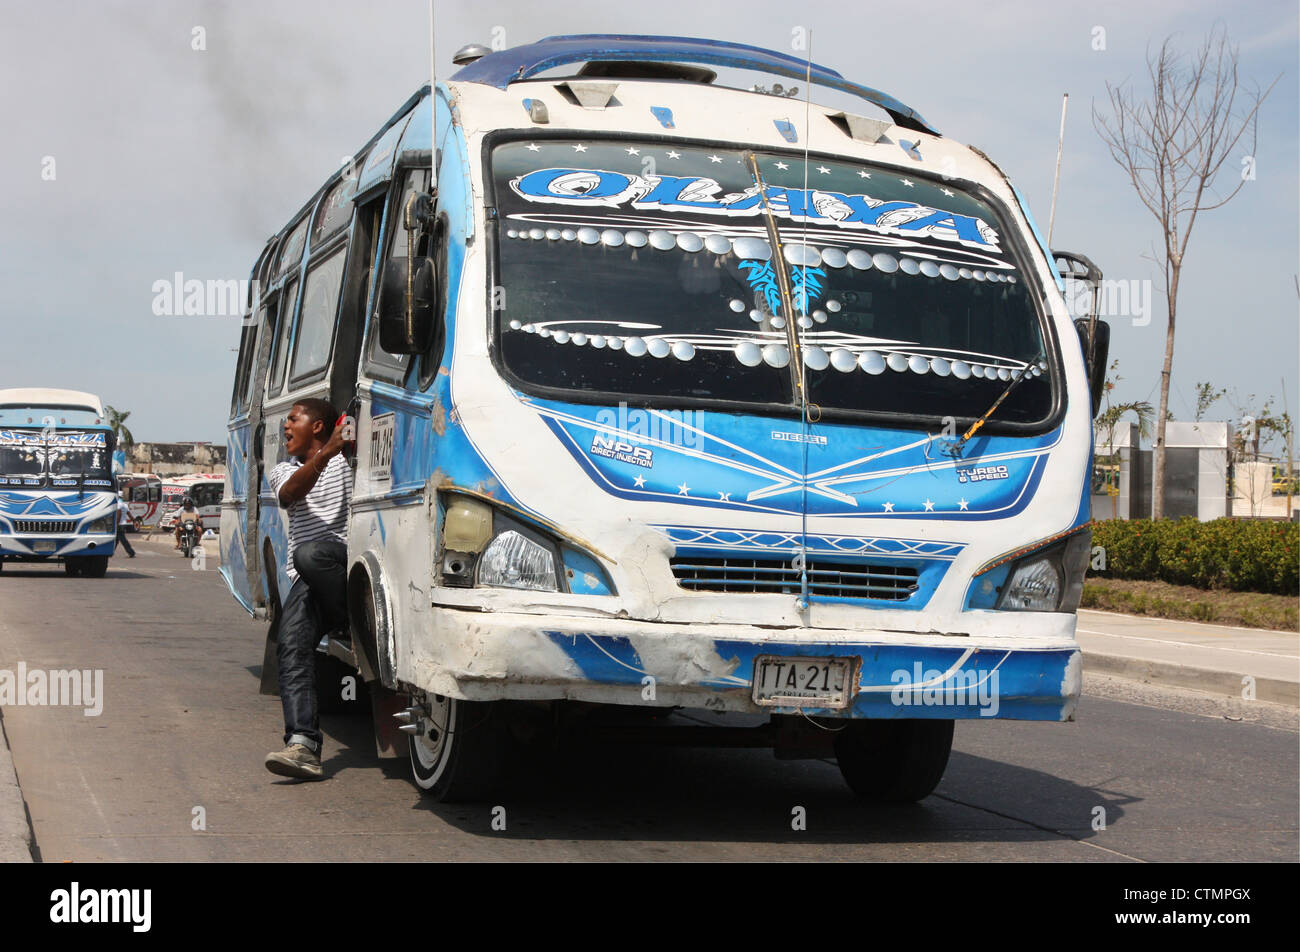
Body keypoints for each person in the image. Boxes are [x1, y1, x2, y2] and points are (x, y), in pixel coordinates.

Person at [263, 398, 352, 781]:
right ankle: (303, 746)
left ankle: (348, 616)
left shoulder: (348, 464)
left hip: (345, 566)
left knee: (312, 554)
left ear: (317, 426)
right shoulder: (284, 470)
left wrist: (339, 448)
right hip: (309, 576)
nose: (285, 427)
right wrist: (328, 452)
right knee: (291, 643)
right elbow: (288, 495)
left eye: (293, 419)